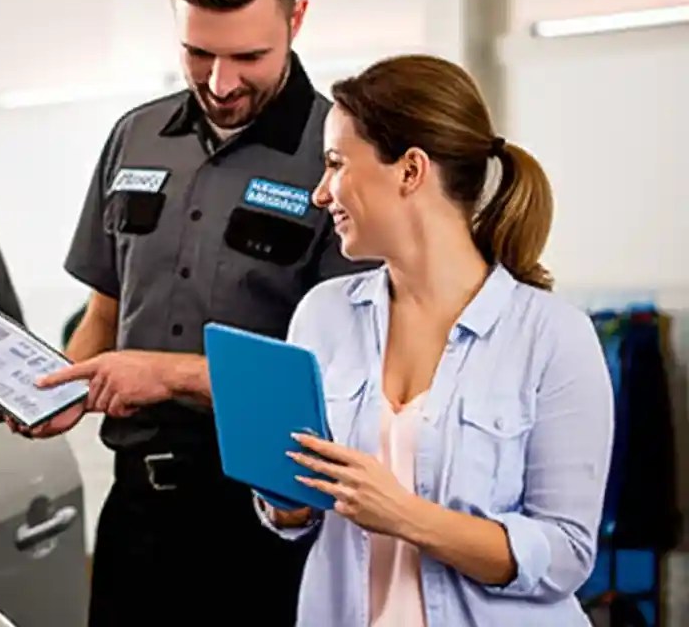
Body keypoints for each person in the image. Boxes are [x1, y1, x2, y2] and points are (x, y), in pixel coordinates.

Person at [50, 53, 615, 625]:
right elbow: (300, 517)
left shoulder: (553, 336)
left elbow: (565, 555)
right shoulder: (324, 314)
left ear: (410, 171)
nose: (320, 194)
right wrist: (287, 503)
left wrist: (404, 515)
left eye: (336, 164)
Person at [19, 0, 372, 625]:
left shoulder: (339, 156)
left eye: (248, 56)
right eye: (198, 53)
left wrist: (167, 374)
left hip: (272, 522)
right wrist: (55, 389)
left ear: (297, 18)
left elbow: (342, 376)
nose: (220, 82)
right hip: (137, 512)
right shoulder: (136, 136)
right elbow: (105, 313)